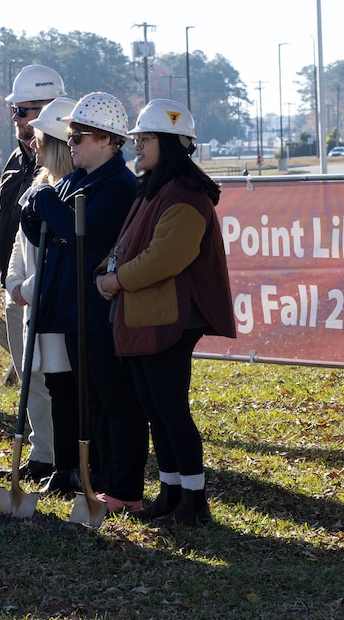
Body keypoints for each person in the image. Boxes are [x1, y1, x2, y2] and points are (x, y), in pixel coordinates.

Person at [96, 99, 237, 525]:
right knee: (156, 410)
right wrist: (108, 268)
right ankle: (171, 494)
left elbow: (163, 258)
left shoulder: (187, 196)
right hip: (148, 316)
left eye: (146, 137)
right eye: (137, 137)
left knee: (171, 410)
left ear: (171, 143)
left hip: (171, 320)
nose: (136, 145)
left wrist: (116, 281)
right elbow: (130, 244)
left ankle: (194, 502)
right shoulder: (156, 187)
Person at [20, 92, 140, 506]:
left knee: (112, 399)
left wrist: (45, 199)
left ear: (107, 140)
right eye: (69, 136)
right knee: (89, 400)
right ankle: (97, 474)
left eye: (79, 136)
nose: (70, 143)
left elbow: (79, 233)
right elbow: (44, 229)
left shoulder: (120, 186)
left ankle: (120, 485)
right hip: (73, 310)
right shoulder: (76, 179)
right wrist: (35, 208)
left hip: (100, 313)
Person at [0, 65, 65, 483]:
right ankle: (42, 454)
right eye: (19, 110)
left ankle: (63, 457)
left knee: (53, 376)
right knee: (28, 377)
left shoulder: (64, 162)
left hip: (48, 289)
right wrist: (11, 281)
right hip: (15, 285)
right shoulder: (14, 163)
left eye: (32, 110)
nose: (23, 119)